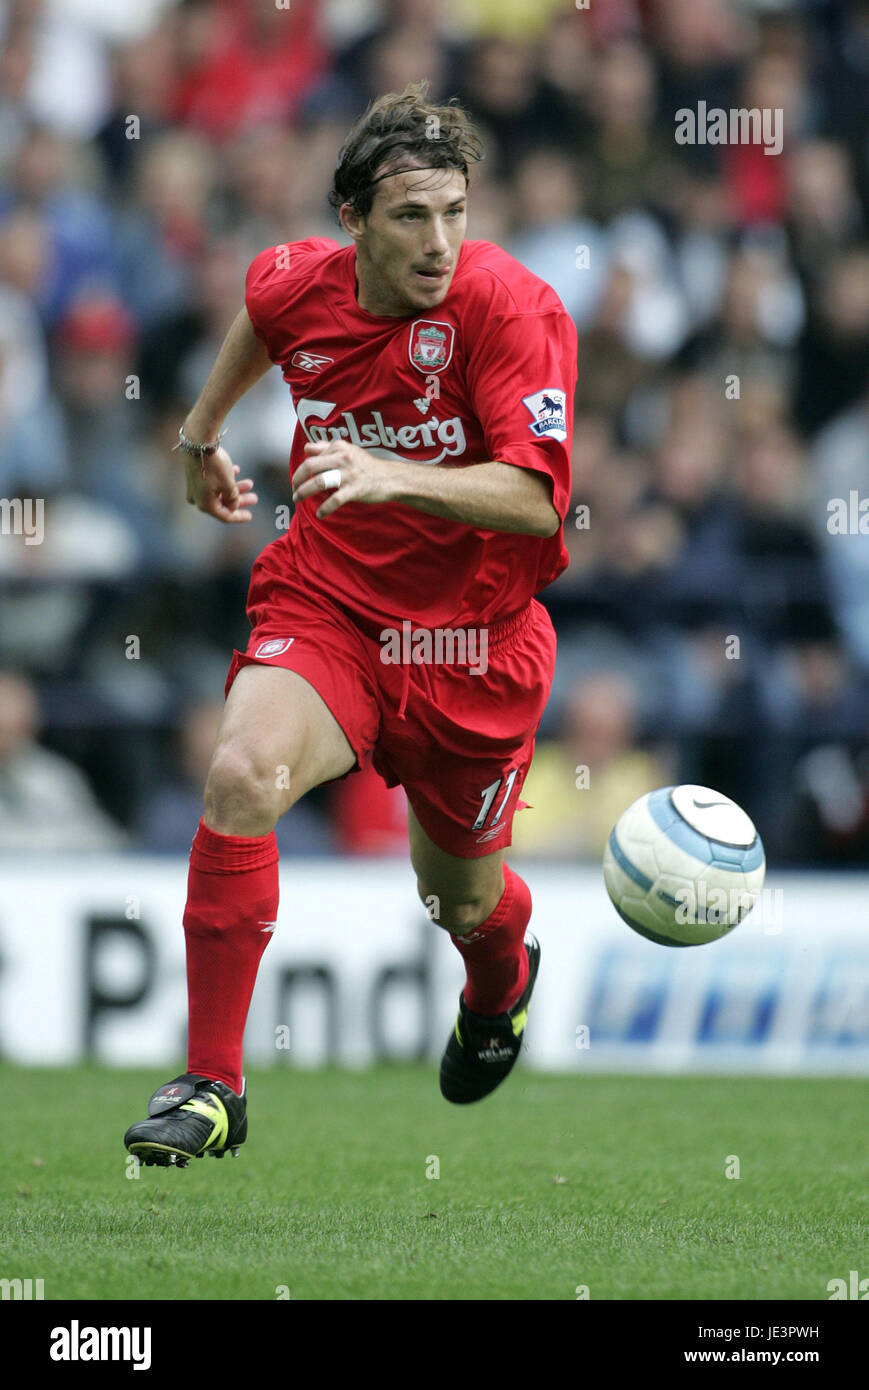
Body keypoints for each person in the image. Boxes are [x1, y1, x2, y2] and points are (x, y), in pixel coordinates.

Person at [123, 82, 576, 1166]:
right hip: (327, 608)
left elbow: (538, 499)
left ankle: (498, 979)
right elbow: (261, 319)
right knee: (240, 773)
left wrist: (393, 473)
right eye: (411, 215)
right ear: (352, 222)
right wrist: (198, 439)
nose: (438, 242)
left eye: (455, 212)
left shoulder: (511, 309)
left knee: (456, 896)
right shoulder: (297, 279)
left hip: (471, 644)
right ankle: (213, 1085)